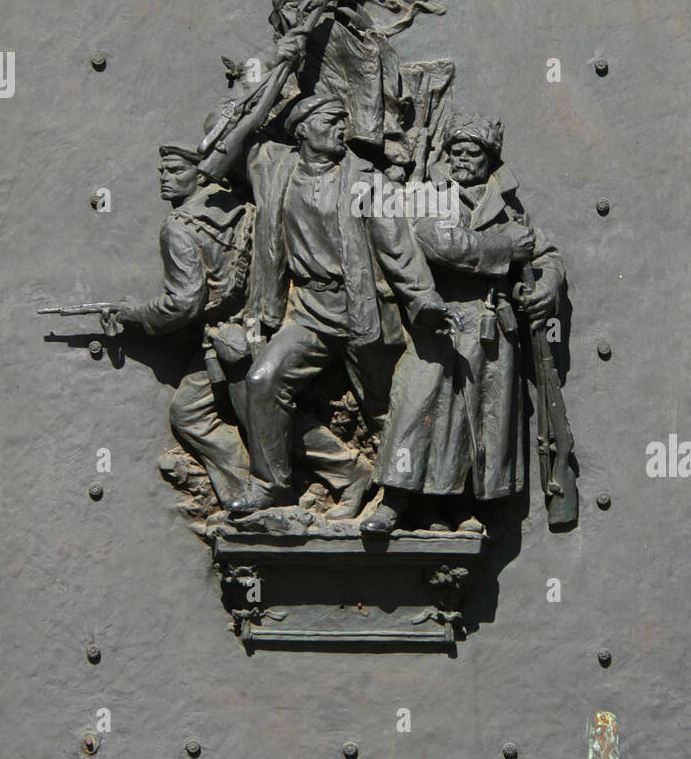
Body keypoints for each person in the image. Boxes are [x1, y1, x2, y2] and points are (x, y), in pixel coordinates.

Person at [236, 93, 455, 515]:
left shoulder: (366, 180)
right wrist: (281, 66)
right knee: (262, 381)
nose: (342, 128)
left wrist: (423, 298)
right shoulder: (274, 170)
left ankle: (404, 500)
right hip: (308, 310)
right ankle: (273, 484)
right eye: (332, 121)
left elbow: (398, 246)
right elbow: (238, 133)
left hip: (361, 308)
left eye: (344, 120)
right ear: (301, 129)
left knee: (382, 410)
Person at [366, 112, 565, 533]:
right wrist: (504, 248)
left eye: (471, 152)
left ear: (488, 157)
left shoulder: (507, 204)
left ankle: (458, 507)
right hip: (440, 320)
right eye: (454, 150)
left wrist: (547, 285)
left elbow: (544, 253)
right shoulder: (427, 193)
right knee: (416, 405)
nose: (460, 159)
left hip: (492, 330)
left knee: (476, 418)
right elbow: (438, 243)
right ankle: (395, 500)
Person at [103, 144, 254, 509]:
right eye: (161, 172)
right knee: (260, 415)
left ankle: (247, 491)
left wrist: (132, 314)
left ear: (201, 173)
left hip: (224, 341)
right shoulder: (243, 209)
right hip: (257, 330)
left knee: (192, 413)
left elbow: (183, 304)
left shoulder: (179, 226)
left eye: (173, 170)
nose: (163, 179)